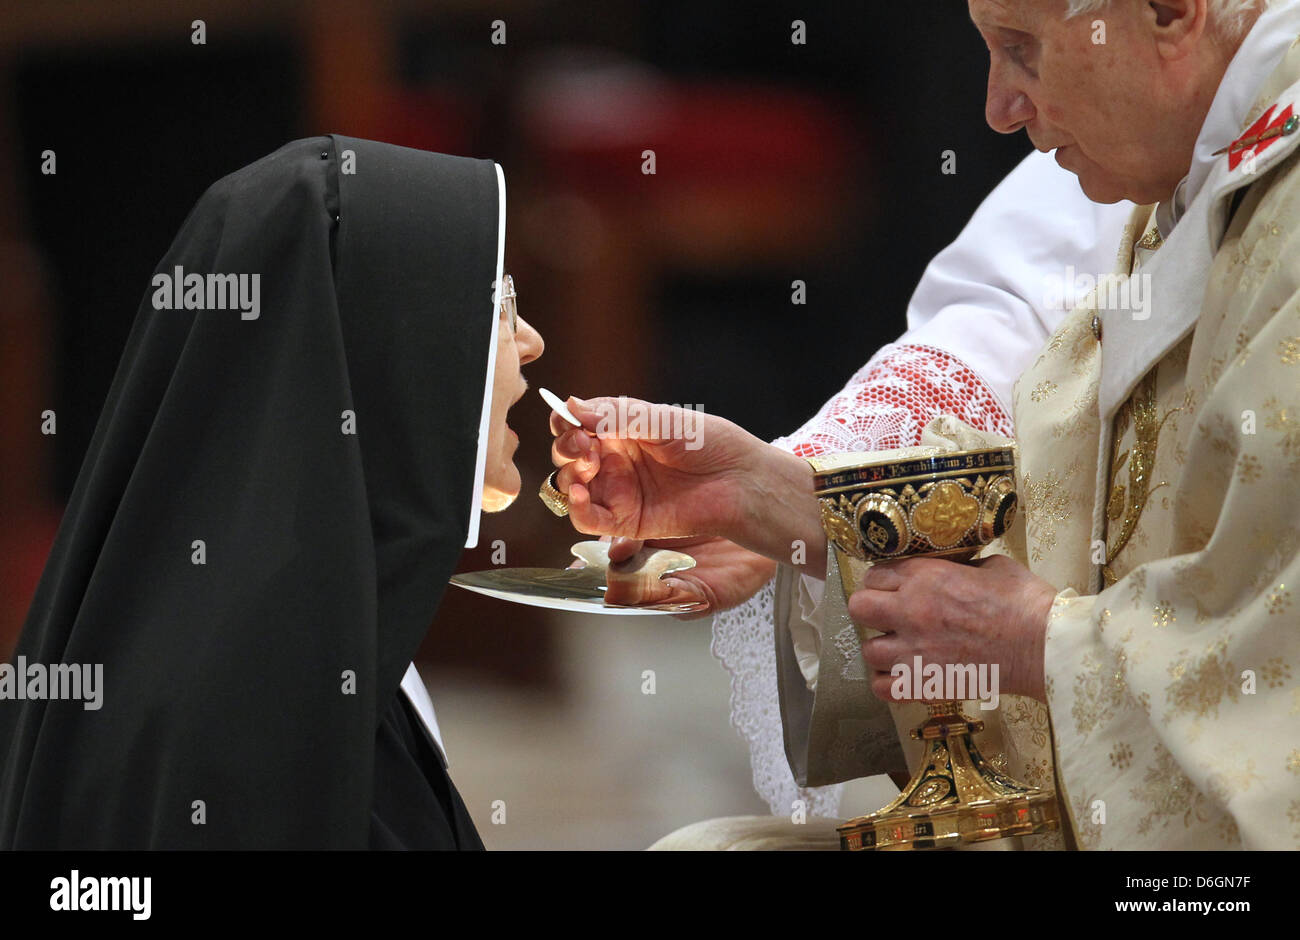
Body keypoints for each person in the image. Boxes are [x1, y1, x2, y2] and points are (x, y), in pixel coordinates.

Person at [549, 0, 1300, 849]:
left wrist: (1036, 641)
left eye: (1021, 52)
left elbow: (1270, 685)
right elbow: (1072, 453)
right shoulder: (1193, 158)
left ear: (1169, 13)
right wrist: (784, 497)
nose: (998, 109)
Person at [0, 135, 545, 849]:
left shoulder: (323, 637)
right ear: (381, 353)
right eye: (500, 301)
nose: (529, 339)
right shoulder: (247, 732)